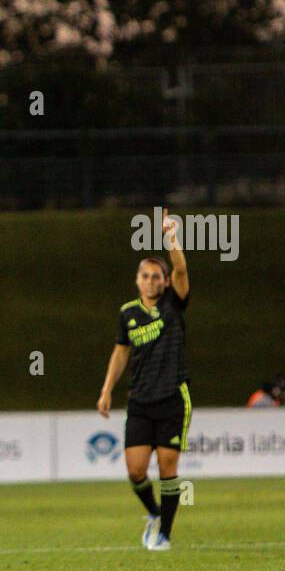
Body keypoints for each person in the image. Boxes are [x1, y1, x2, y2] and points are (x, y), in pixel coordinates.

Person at [97, 214, 191, 551]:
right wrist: (107, 390)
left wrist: (172, 239)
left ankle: (164, 534)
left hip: (171, 397)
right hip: (140, 401)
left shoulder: (173, 304)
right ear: (137, 281)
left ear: (165, 282)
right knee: (136, 471)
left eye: (156, 276)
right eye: (145, 276)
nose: (151, 281)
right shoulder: (128, 314)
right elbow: (120, 352)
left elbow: (181, 270)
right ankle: (153, 513)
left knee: (168, 466)